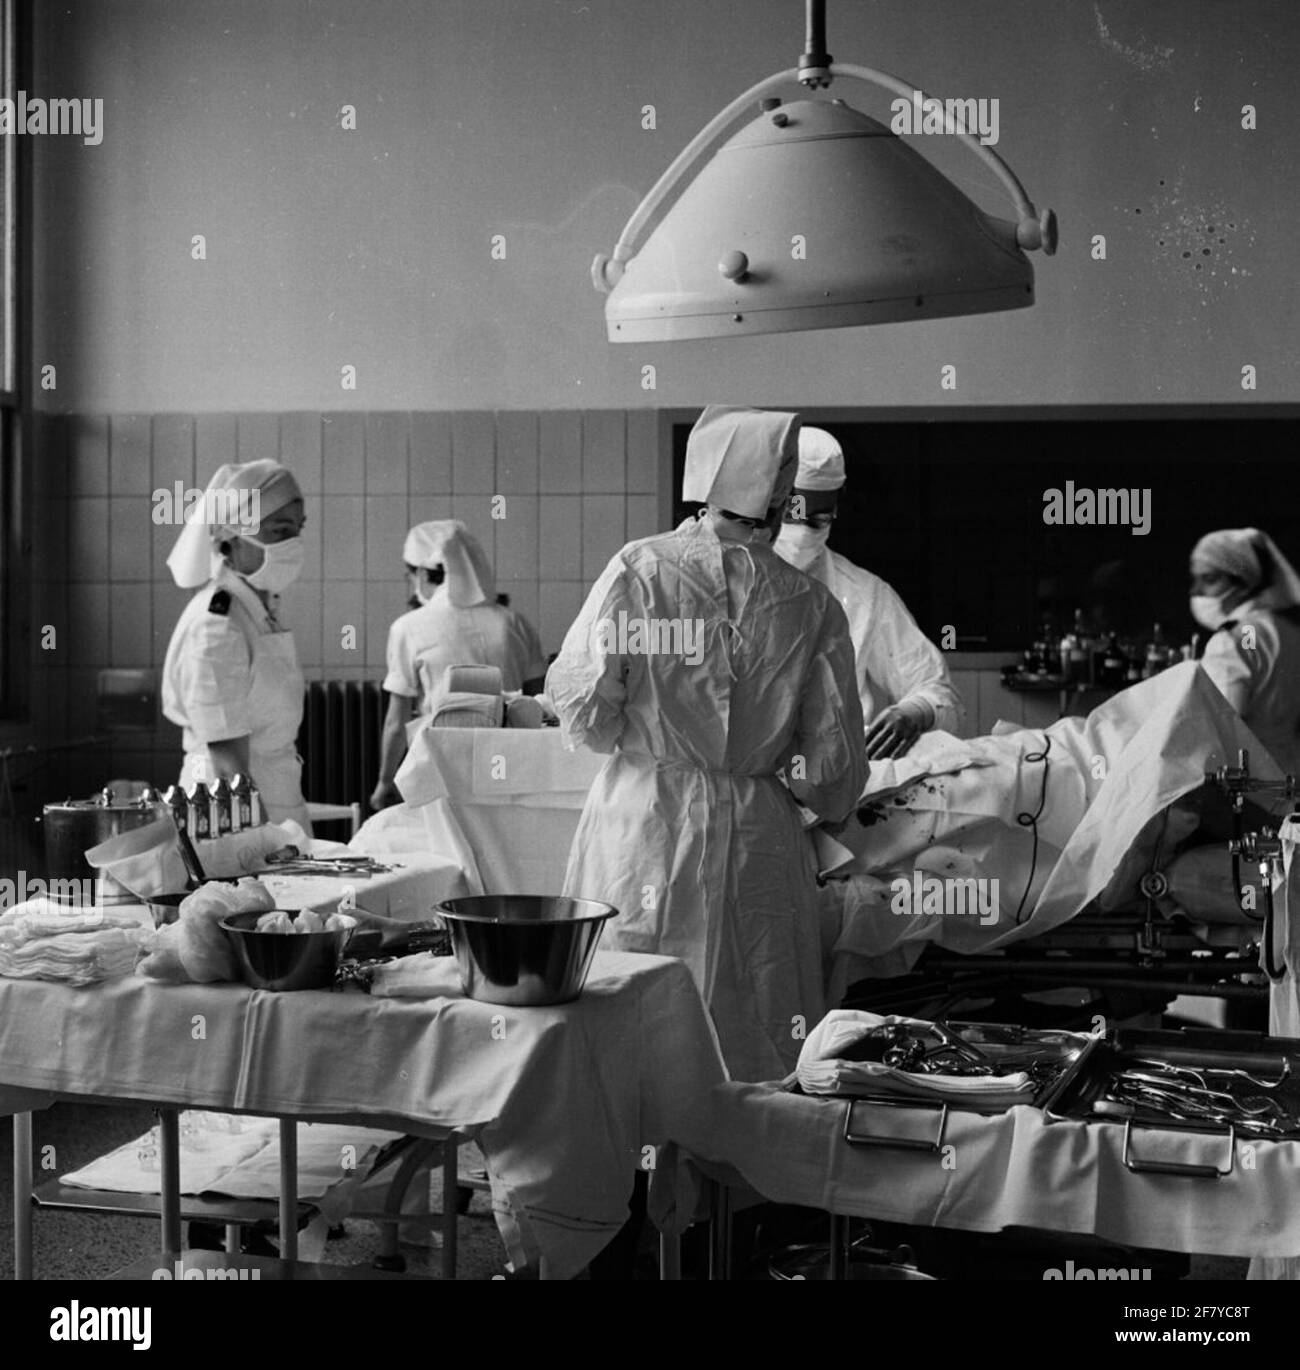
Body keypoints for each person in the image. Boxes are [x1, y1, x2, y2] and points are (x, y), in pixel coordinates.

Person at [548, 406, 866, 1082]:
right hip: (756, 833)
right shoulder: (809, 603)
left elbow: (585, 710)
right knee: (752, 1016)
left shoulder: (639, 570)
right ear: (780, 496)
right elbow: (832, 768)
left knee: (633, 1005)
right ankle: (748, 1145)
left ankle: (628, 1141)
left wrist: (648, 729)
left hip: (644, 818)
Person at [773, 427, 963, 760]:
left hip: (837, 772)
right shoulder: (723, 582)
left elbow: (938, 692)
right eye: (793, 515)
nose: (802, 534)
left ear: (837, 508)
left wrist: (915, 711)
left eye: (817, 521)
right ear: (770, 504)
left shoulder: (864, 595)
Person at [161, 460, 312, 833]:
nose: (294, 542)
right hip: (229, 817)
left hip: (276, 806)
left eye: (298, 529)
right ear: (232, 537)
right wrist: (267, 846)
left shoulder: (257, 611)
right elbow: (229, 767)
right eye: (280, 531)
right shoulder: (217, 628)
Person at [370, 520, 546, 810]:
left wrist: (385, 782)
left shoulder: (408, 627)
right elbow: (539, 701)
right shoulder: (513, 622)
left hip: (442, 766)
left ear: (422, 574)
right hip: (511, 763)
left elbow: (395, 723)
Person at [1191, 527, 1300, 777]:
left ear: (1241, 582)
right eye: (1195, 579)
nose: (1196, 590)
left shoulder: (1231, 641)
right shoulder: (1289, 633)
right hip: (1290, 772)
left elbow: (1224, 728)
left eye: (1209, 579)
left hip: (1247, 780)